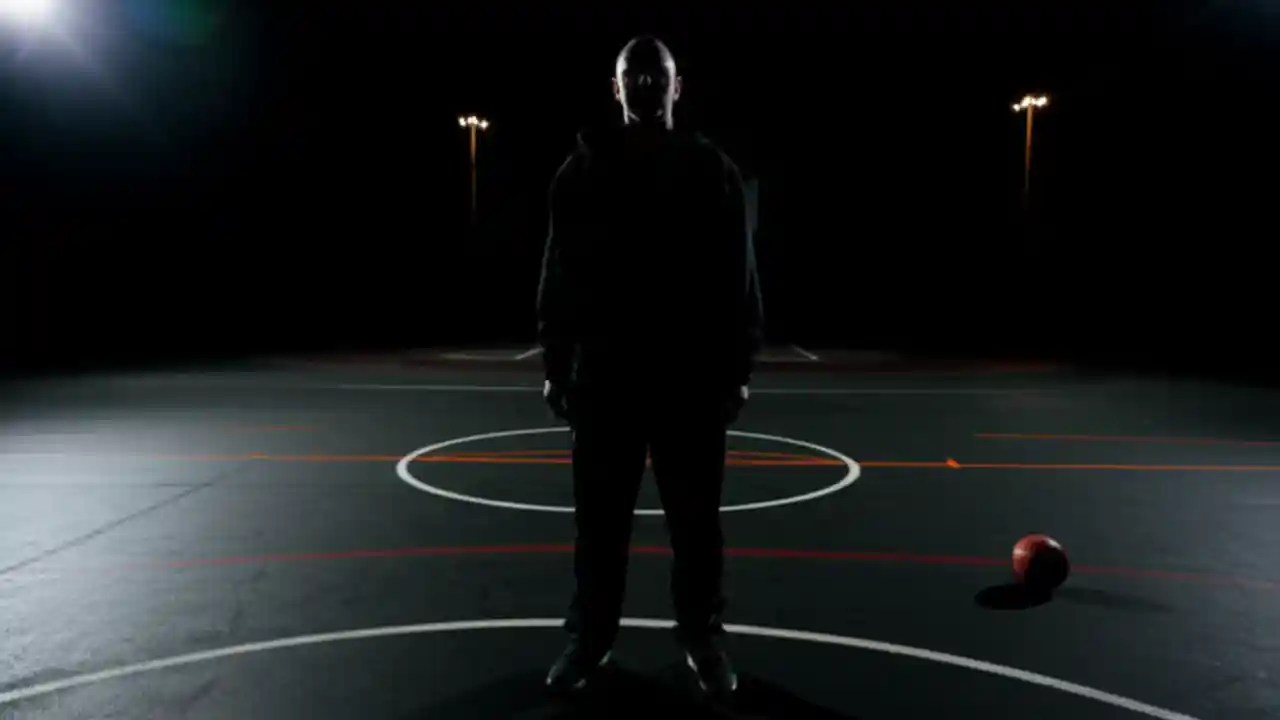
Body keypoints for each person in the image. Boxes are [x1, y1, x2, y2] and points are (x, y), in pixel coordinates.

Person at [536, 35, 764, 701]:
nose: (643, 84)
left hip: (688, 381)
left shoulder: (711, 170)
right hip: (605, 380)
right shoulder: (580, 173)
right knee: (598, 525)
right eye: (632, 76)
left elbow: (739, 276)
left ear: (675, 86)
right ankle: (591, 637)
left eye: (654, 74)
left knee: (696, 524)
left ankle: (702, 636)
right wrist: (555, 362)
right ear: (616, 88)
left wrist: (738, 368)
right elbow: (558, 275)